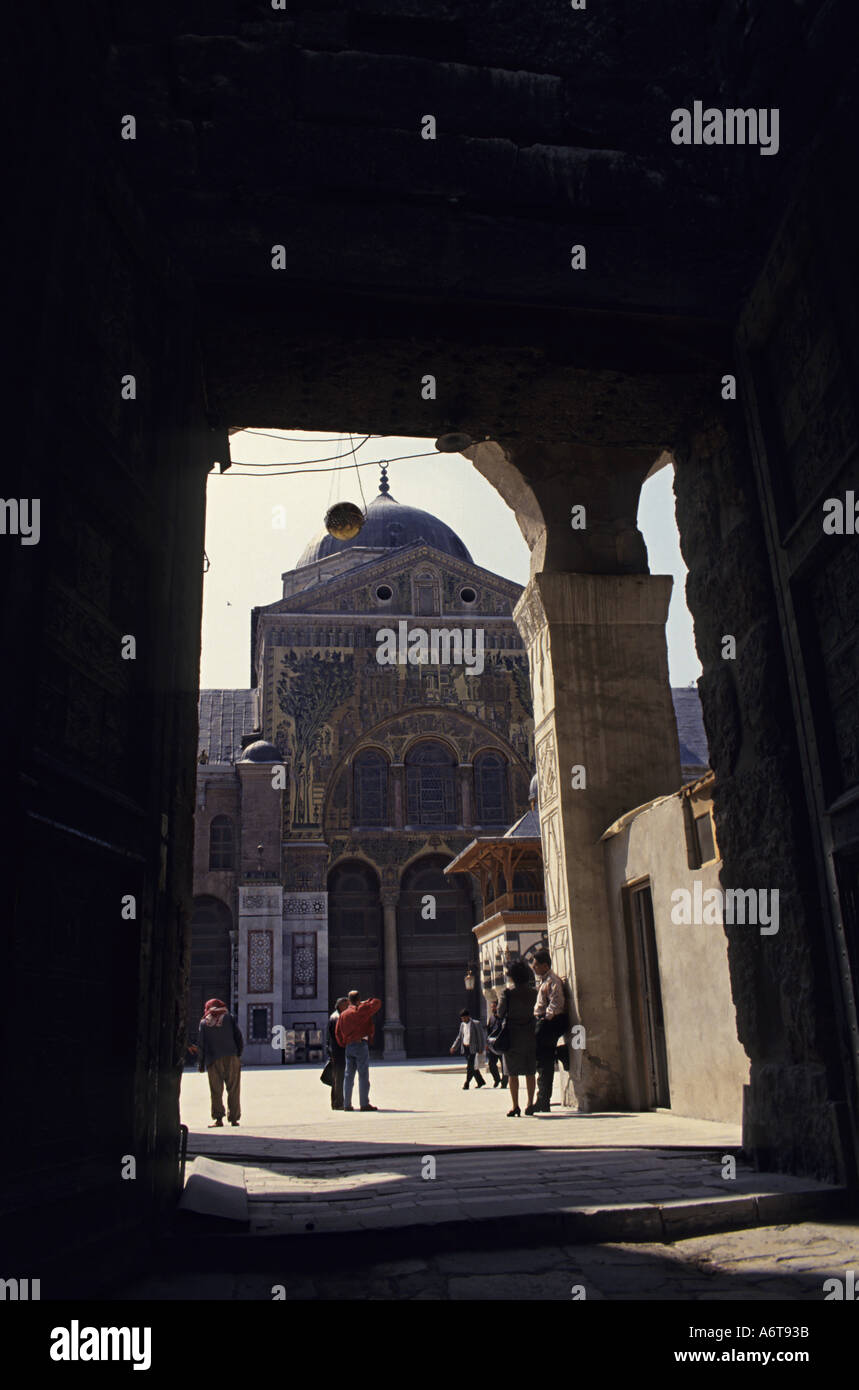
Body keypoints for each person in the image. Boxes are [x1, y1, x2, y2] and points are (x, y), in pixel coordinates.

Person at [496, 961, 538, 1115]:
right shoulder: (534, 993)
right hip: (530, 1035)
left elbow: (500, 1013)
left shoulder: (507, 993)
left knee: (512, 1073)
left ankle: (515, 1105)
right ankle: (530, 1103)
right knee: (530, 1071)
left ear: (512, 977)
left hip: (512, 1036)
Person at [532, 948, 569, 1113]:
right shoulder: (544, 980)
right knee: (542, 1060)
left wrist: (545, 1019)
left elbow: (556, 1003)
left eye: (536, 965)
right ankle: (559, 1053)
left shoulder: (553, 981)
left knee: (544, 1061)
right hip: (546, 1022)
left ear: (545, 965)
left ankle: (543, 1099)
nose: (533, 967)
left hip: (550, 1023)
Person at [196, 997, 243, 1127]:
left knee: (216, 1090)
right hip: (232, 1057)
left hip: (213, 1059)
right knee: (233, 1089)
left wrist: (200, 1063)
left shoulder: (204, 1023)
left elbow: (201, 1044)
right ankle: (234, 1118)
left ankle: (218, 1119)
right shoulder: (229, 1018)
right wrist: (238, 1054)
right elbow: (238, 1037)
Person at [335, 989, 382, 1111]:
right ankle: (364, 1103)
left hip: (349, 1046)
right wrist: (366, 1002)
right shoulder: (361, 1010)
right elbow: (377, 1003)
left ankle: (347, 1104)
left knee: (348, 1076)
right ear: (358, 999)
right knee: (363, 1075)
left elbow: (338, 1032)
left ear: (348, 1000)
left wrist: (344, 1043)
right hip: (360, 1045)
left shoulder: (343, 1014)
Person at [449, 1009, 487, 1089]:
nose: (463, 1020)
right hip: (466, 1048)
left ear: (468, 1017)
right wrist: (454, 1047)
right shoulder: (462, 1025)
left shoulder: (476, 1024)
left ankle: (467, 1083)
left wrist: (481, 1048)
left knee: (470, 1067)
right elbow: (459, 1037)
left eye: (464, 1018)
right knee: (473, 1066)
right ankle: (480, 1081)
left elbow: (481, 1037)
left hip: (473, 1048)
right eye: (462, 1018)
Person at [327, 996, 349, 1110]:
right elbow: (338, 1036)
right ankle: (339, 1102)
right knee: (339, 1077)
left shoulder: (335, 1015)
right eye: (346, 1004)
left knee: (337, 1077)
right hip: (338, 1051)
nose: (348, 1006)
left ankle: (336, 1102)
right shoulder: (338, 1017)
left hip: (335, 1051)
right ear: (341, 1005)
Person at [485, 999, 508, 1088]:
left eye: (494, 1007)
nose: (493, 1009)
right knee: (491, 1064)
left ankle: (504, 1083)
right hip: (492, 1045)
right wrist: (487, 1044)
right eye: (492, 1007)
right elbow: (488, 1031)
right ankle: (497, 1079)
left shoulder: (503, 1018)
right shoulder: (491, 1018)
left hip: (501, 1044)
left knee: (504, 1065)